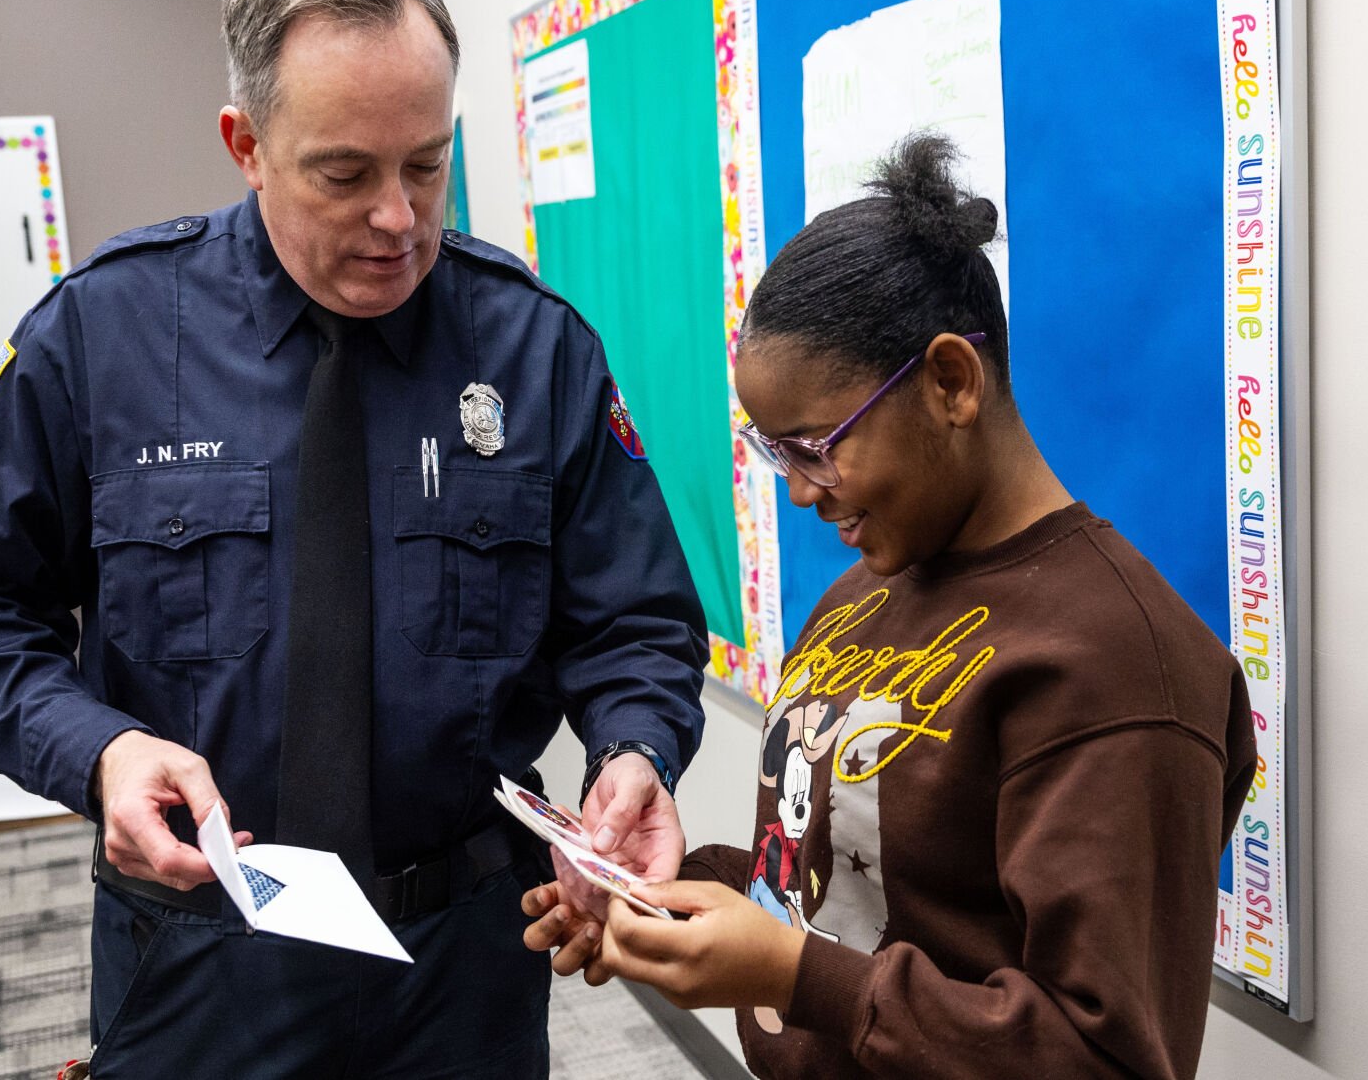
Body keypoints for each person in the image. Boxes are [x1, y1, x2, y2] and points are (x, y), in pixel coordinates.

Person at [0, 0, 706, 1077]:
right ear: (246, 142)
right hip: (199, 945)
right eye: (346, 173)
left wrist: (634, 750)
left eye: (427, 163)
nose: (399, 218)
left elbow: (631, 620)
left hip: (463, 953)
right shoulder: (101, 339)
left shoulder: (534, 350)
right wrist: (99, 751)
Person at [524, 133, 1256, 1079]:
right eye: (773, 452)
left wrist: (797, 977)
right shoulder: (857, 596)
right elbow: (846, 888)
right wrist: (667, 891)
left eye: (815, 446)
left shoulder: (1119, 665)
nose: (798, 490)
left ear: (950, 382)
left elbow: (1102, 1057)